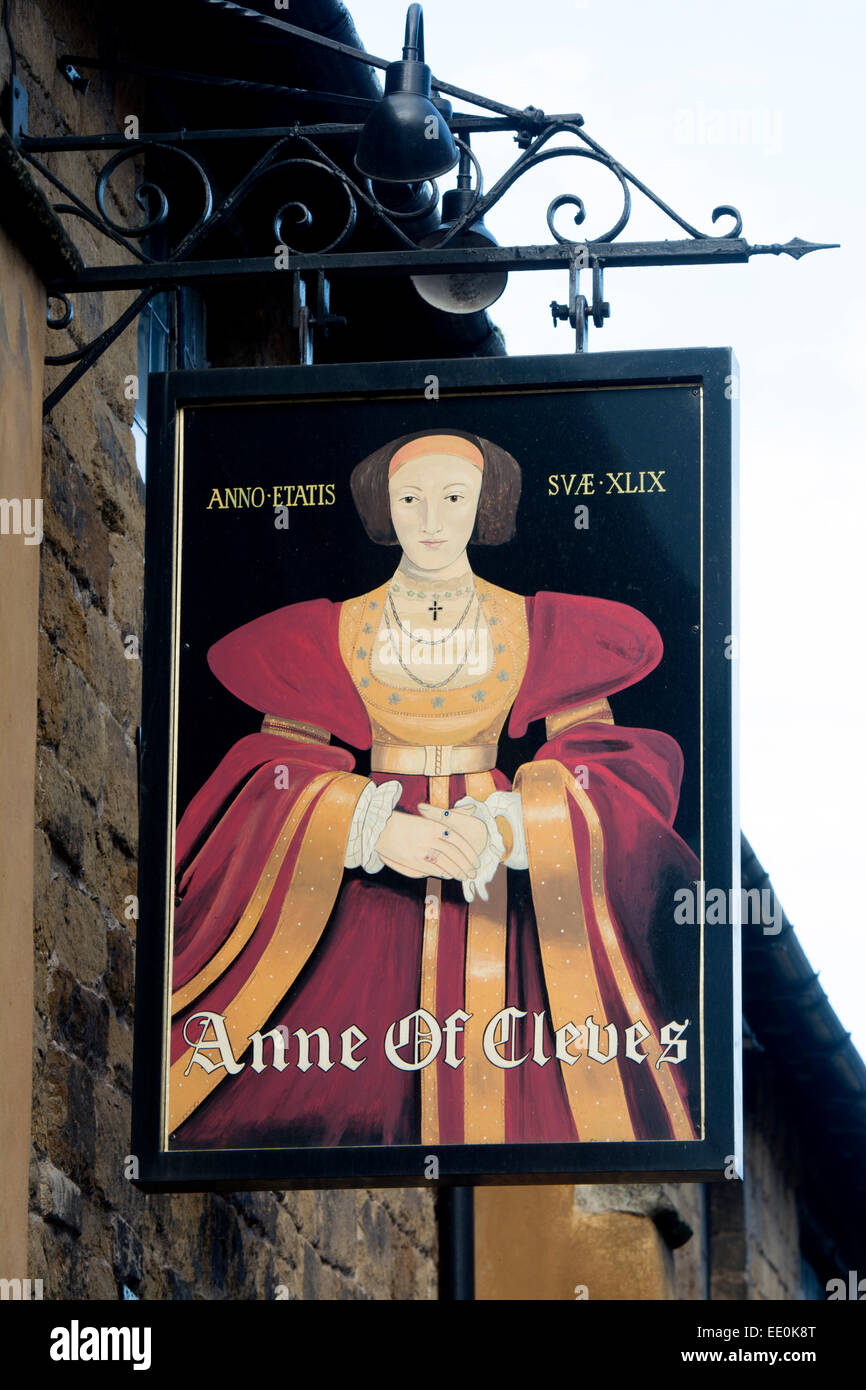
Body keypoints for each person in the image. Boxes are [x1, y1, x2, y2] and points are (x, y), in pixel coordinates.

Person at [169, 429, 699, 1149]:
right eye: (410, 499)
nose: (430, 520)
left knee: (498, 1089)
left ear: (484, 505)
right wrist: (371, 827)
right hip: (361, 893)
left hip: (497, 882)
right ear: (384, 508)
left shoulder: (536, 625)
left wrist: (507, 828)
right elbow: (271, 773)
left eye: (453, 498)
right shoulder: (332, 631)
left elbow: (602, 767)